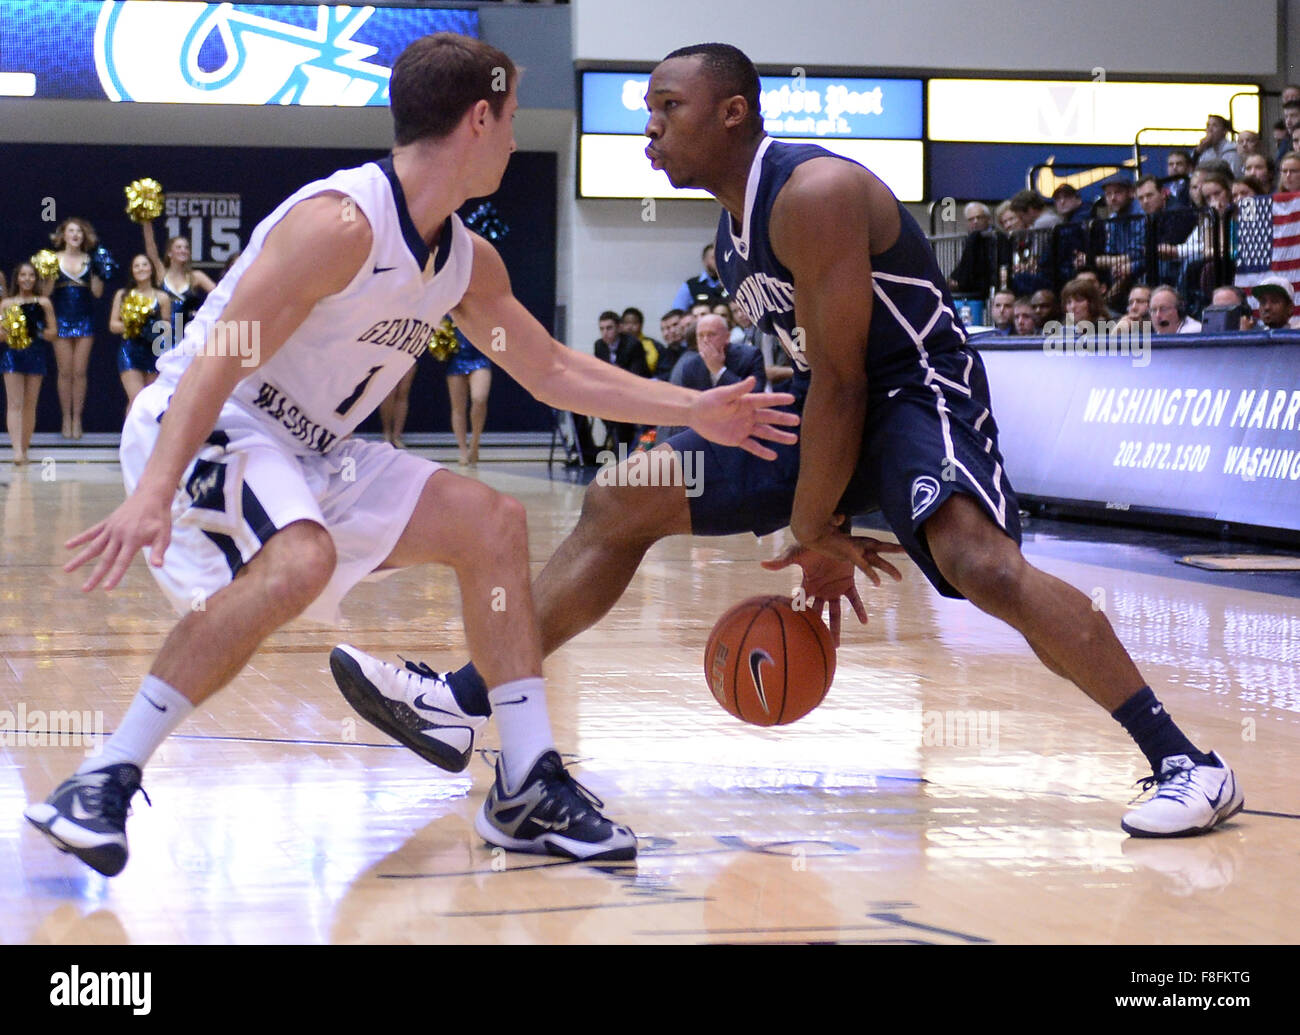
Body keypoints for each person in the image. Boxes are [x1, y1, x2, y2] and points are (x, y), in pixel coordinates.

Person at [339, 43, 1244, 842]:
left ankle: (1186, 761)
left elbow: (852, 380)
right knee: (622, 496)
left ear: (733, 112)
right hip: (826, 402)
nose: (648, 129)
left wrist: (814, 527)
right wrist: (810, 504)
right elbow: (822, 380)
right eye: (645, 114)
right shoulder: (729, 235)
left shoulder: (812, 193)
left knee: (984, 566)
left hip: (914, 390)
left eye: (666, 109)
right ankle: (459, 702)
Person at [23, 32, 798, 877]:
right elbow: (223, 352)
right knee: (300, 559)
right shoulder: (340, 225)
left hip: (318, 448)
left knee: (492, 523)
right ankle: (100, 777)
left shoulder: (465, 258)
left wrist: (701, 409)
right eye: (508, 119)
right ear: (478, 118)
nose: (512, 135)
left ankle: (527, 783)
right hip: (216, 418)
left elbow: (550, 370)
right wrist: (154, 490)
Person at [43, 217, 104, 439]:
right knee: (64, 372)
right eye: (71, 231)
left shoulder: (90, 260)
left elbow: (97, 292)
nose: (75, 235)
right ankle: (65, 418)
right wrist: (48, 273)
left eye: (79, 231)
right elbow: (47, 292)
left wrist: (99, 270)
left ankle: (77, 418)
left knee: (79, 373)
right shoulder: (53, 259)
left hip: (85, 319)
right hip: (60, 320)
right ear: (63, 236)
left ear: (84, 236)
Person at [1, 262, 57, 465]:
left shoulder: (43, 303)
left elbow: (54, 333)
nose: (26, 279)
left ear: (36, 279)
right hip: (13, 355)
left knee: (30, 405)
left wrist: (37, 330)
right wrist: (13, 332)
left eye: (31, 275)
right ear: (17, 278)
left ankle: (25, 448)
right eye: (23, 275)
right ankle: (16, 450)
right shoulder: (7, 304)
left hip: (36, 353)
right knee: (14, 403)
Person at [142, 219, 217, 349]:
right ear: (169, 253)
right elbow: (151, 250)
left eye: (186, 248)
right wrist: (145, 221)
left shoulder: (196, 277)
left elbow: (219, 294)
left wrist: (202, 314)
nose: (183, 250)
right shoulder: (161, 274)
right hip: (163, 335)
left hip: (188, 335)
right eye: (178, 247)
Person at [109, 254, 172, 407]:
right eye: (136, 266)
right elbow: (113, 325)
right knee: (136, 399)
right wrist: (135, 326)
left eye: (144, 265)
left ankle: (149, 432)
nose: (141, 269)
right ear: (132, 271)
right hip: (130, 351)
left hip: (153, 352)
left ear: (151, 269)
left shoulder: (162, 297)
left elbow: (167, 327)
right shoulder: (123, 295)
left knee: (150, 402)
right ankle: (128, 432)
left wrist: (153, 328)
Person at [445, 323, 491, 465]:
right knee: (458, 408)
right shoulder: (448, 308)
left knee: (479, 398)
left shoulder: (483, 308)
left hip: (480, 358)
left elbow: (498, 330)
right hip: (456, 359)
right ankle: (463, 450)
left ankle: (475, 443)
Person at [670, 242, 727, 310]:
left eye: (721, 257)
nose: (718, 261)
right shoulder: (691, 285)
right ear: (704, 261)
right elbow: (678, 311)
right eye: (714, 258)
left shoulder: (731, 284)